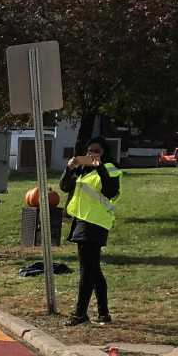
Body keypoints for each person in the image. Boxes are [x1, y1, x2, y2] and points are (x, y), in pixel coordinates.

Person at [58, 139, 123, 326]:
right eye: (89, 151)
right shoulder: (82, 170)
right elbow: (64, 187)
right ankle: (103, 313)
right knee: (93, 269)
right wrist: (69, 168)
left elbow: (111, 191)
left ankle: (80, 314)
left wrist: (100, 167)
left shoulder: (110, 168)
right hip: (82, 221)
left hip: (95, 223)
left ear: (104, 153)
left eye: (97, 151)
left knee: (87, 271)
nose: (92, 155)